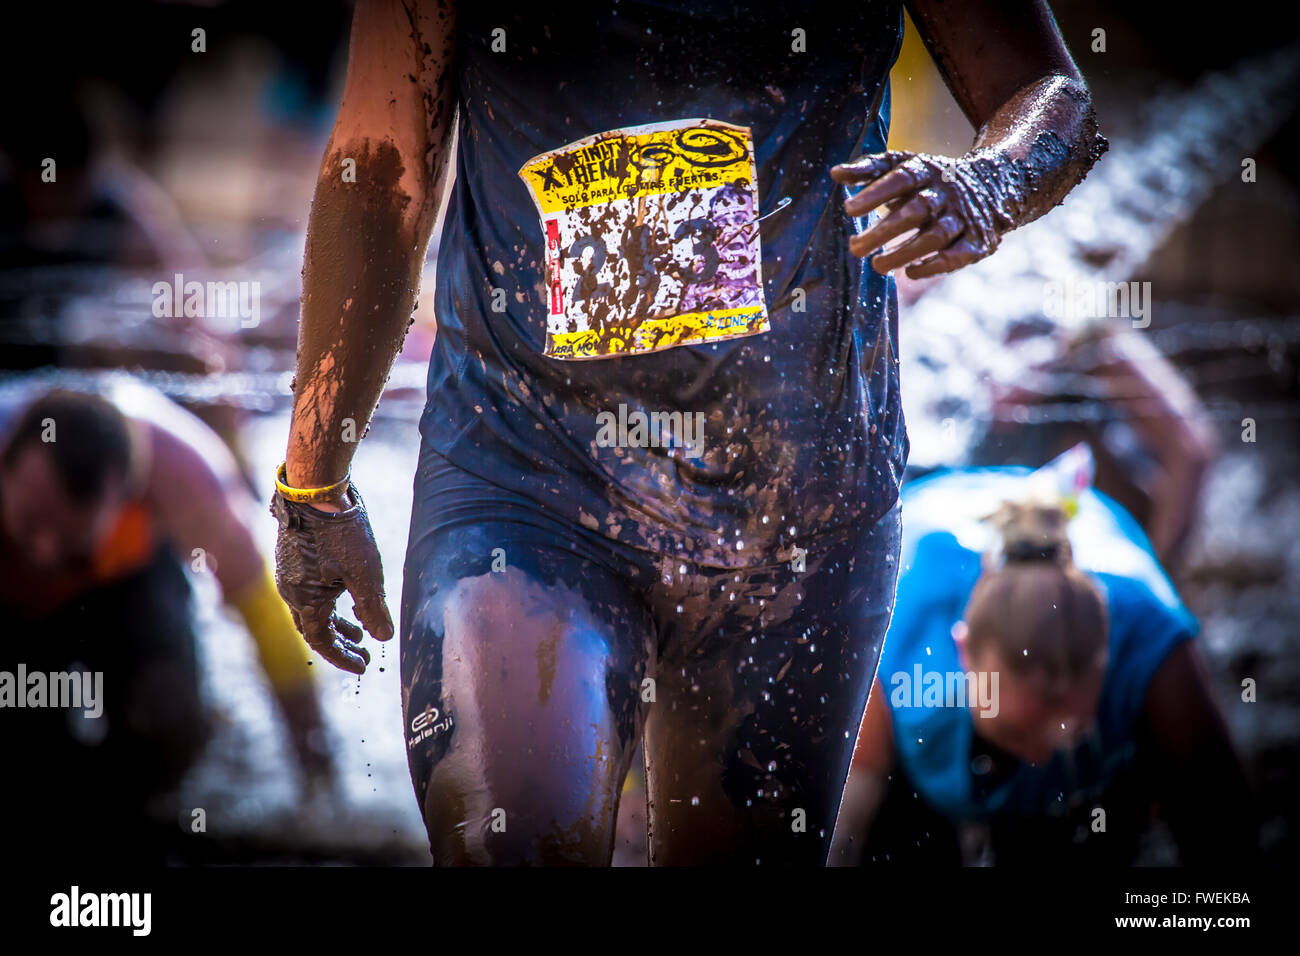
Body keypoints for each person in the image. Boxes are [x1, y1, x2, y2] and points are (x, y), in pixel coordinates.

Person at [271, 0, 1106, 864]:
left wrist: (985, 185)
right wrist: (310, 487)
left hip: (801, 501)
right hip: (526, 467)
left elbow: (1053, 96)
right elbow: (377, 166)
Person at [829, 457, 1257, 866]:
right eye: (1015, 732)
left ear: (1108, 660)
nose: (1038, 756)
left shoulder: (1151, 640)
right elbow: (843, 834)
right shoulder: (900, 639)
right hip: (928, 541)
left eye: (1071, 732)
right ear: (964, 654)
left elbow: (1225, 839)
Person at [0, 378, 333, 862]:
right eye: (29, 524)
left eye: (71, 542)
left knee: (166, 726)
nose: (45, 553)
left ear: (126, 495)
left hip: (124, 597)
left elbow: (268, 619)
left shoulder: (185, 478)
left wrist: (318, 774)